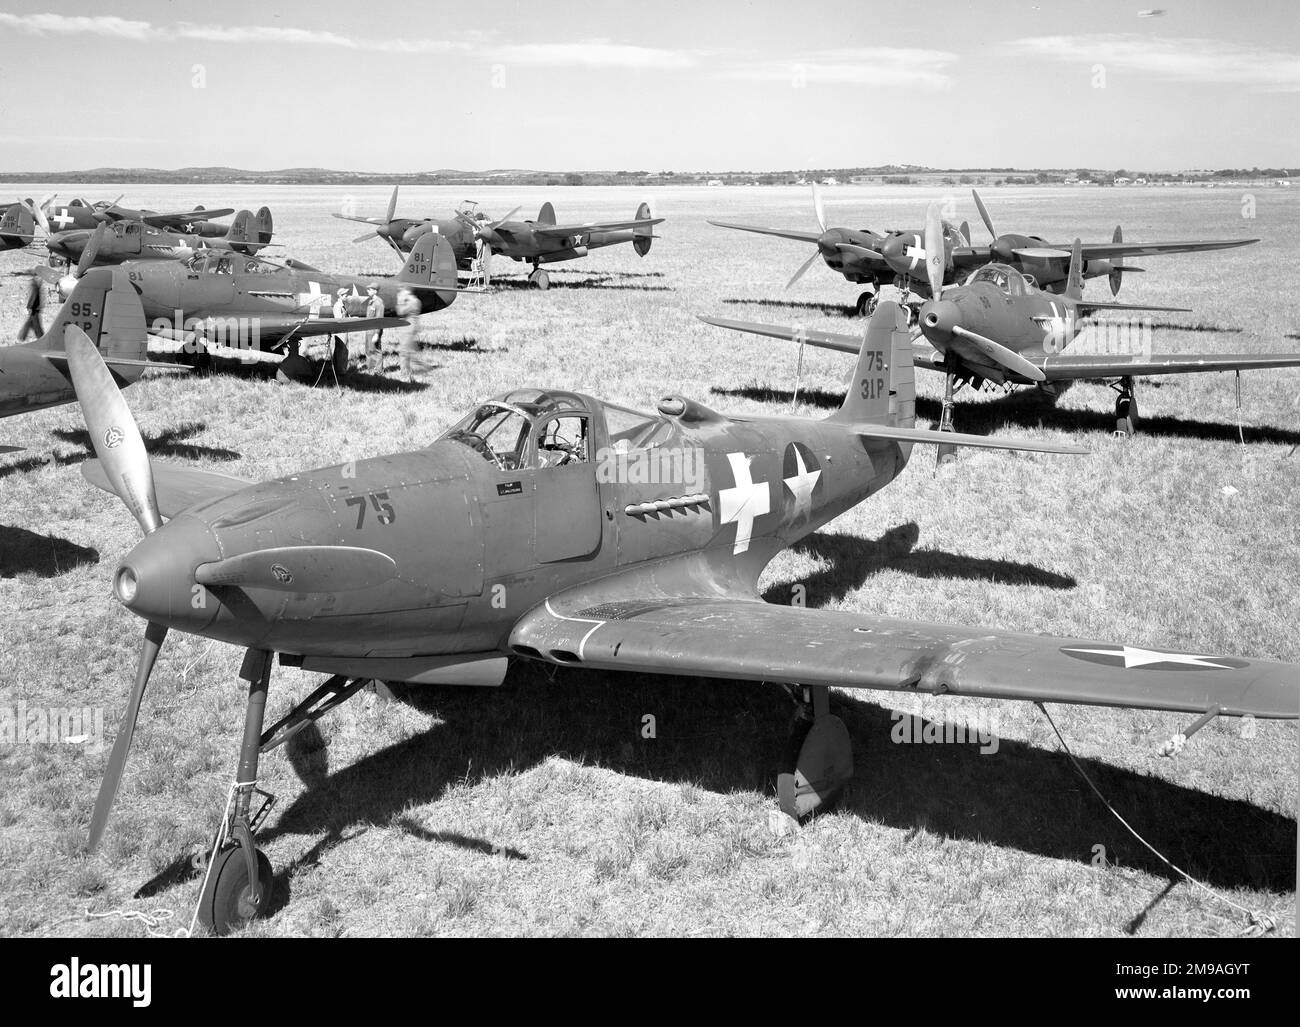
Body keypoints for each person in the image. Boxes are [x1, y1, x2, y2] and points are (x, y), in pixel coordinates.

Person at [393, 287, 422, 382]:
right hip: (411, 326)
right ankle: (412, 369)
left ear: (408, 292)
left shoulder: (411, 302)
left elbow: (400, 312)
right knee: (408, 350)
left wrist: (400, 300)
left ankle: (405, 373)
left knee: (404, 351)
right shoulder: (416, 301)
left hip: (408, 327)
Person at [363, 283, 384, 372]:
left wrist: (377, 333)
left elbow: (379, 319)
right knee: (368, 350)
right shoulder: (370, 301)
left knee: (376, 351)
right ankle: (370, 369)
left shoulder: (379, 303)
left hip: (374, 330)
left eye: (370, 290)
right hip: (368, 330)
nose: (368, 291)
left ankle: (379, 371)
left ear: (375, 291)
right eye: (368, 289)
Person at [18, 272, 44, 341]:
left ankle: (22, 337)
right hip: (34, 308)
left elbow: (33, 297)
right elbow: (33, 297)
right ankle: (41, 338)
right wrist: (29, 307)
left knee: (31, 323)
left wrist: (29, 307)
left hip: (34, 308)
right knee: (35, 325)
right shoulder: (35, 285)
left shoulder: (34, 285)